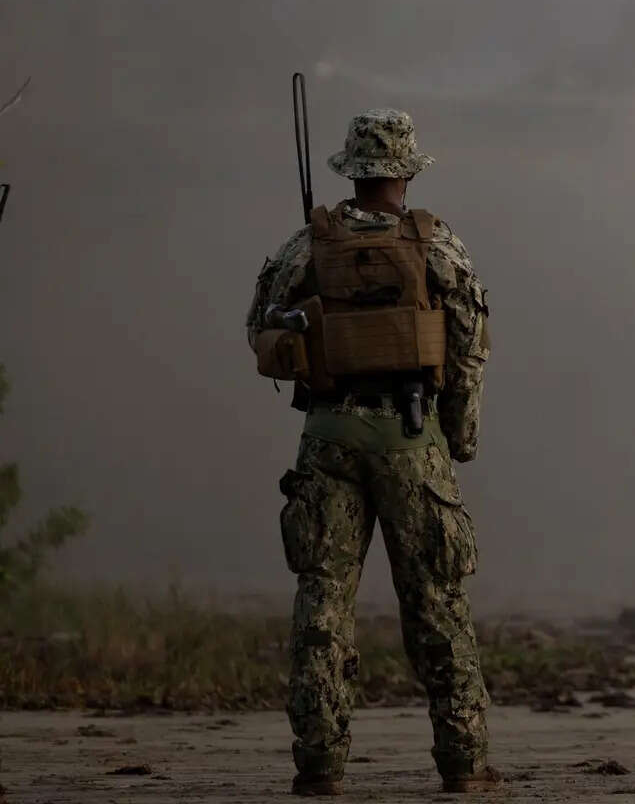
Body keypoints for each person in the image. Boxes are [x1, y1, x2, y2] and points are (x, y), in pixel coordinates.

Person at [246, 109, 499, 795]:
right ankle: (464, 762)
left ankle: (320, 765)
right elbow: (469, 344)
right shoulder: (437, 245)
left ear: (352, 173)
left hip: (327, 439)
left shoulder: (307, 245)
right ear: (408, 171)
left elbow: (259, 330)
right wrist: (460, 435)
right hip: (412, 440)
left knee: (322, 605)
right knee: (438, 606)